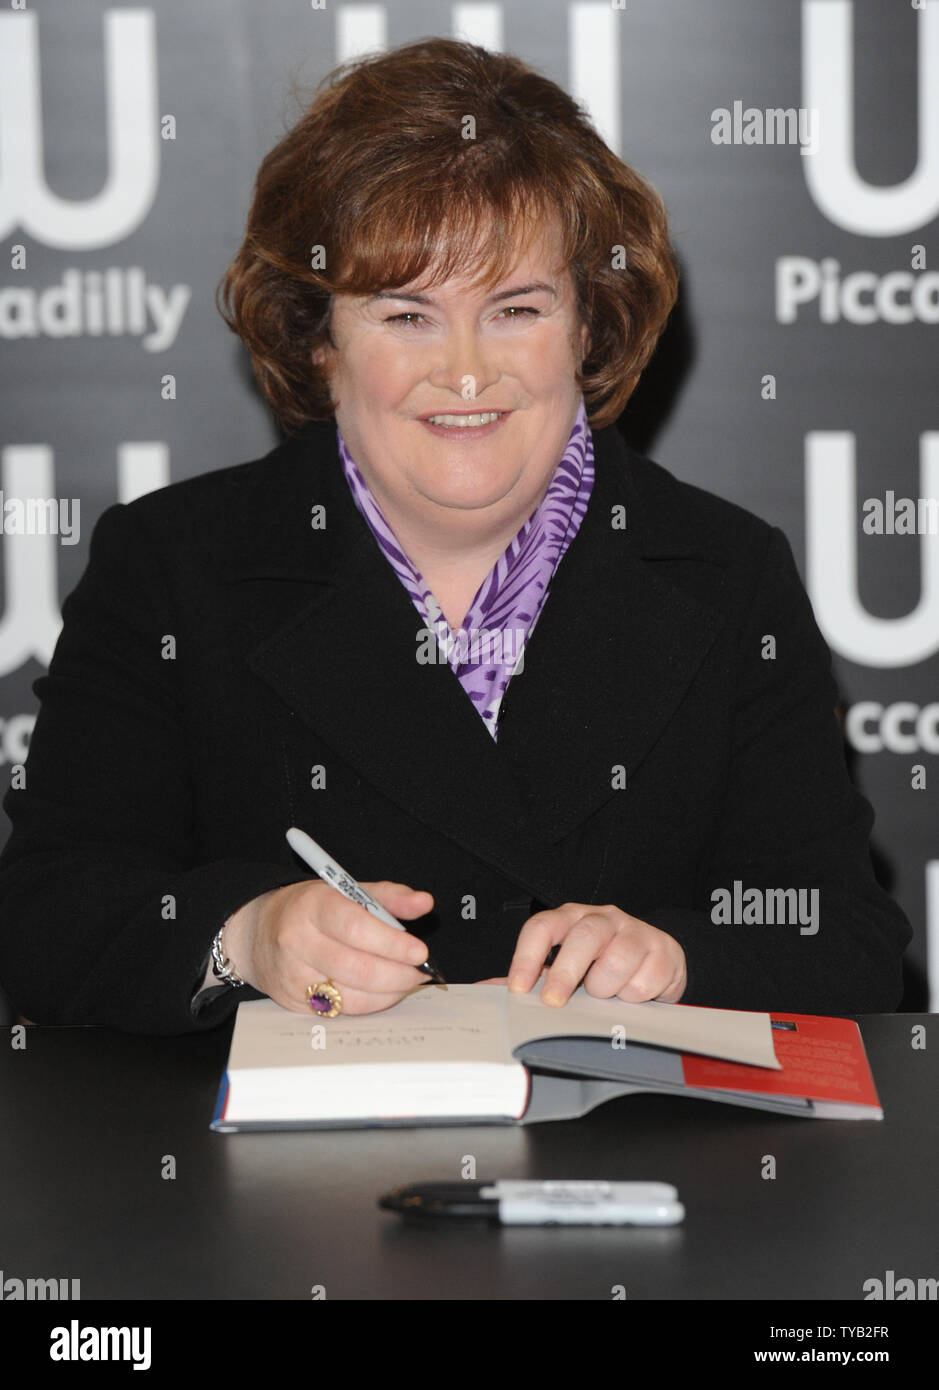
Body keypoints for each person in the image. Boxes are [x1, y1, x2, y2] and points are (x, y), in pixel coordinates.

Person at [0, 39, 911, 1035]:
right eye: (408, 316)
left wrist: (679, 956)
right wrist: (245, 936)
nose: (468, 373)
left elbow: (845, 940)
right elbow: (48, 915)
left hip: (630, 1174)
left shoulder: (728, 575)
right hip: (280, 1185)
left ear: (588, 330)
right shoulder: (171, 569)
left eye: (516, 308)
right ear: (319, 340)